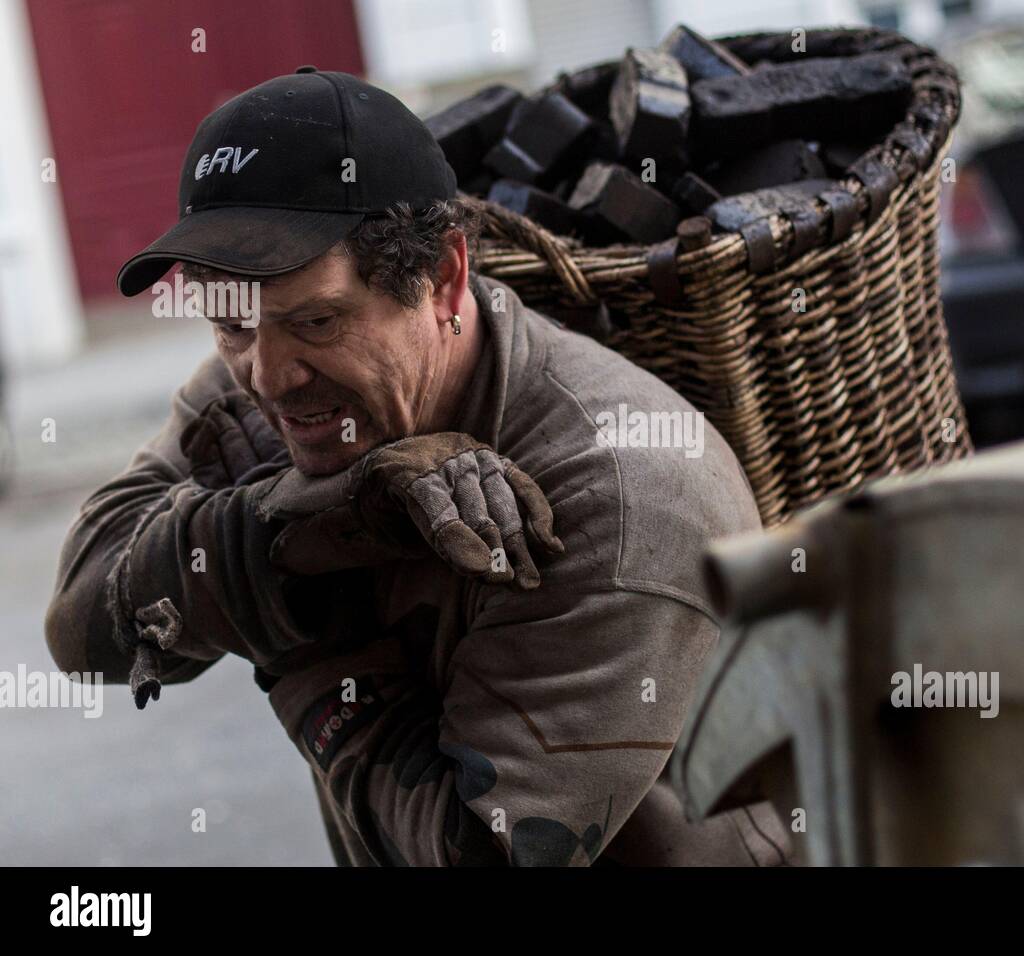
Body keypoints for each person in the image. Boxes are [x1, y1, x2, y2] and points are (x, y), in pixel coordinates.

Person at [45, 67, 789, 866]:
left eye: (319, 320)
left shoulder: (625, 493)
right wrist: (280, 538)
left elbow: (473, 853)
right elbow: (83, 625)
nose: (267, 376)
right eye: (228, 326)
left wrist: (303, 632)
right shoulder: (269, 393)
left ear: (444, 279)